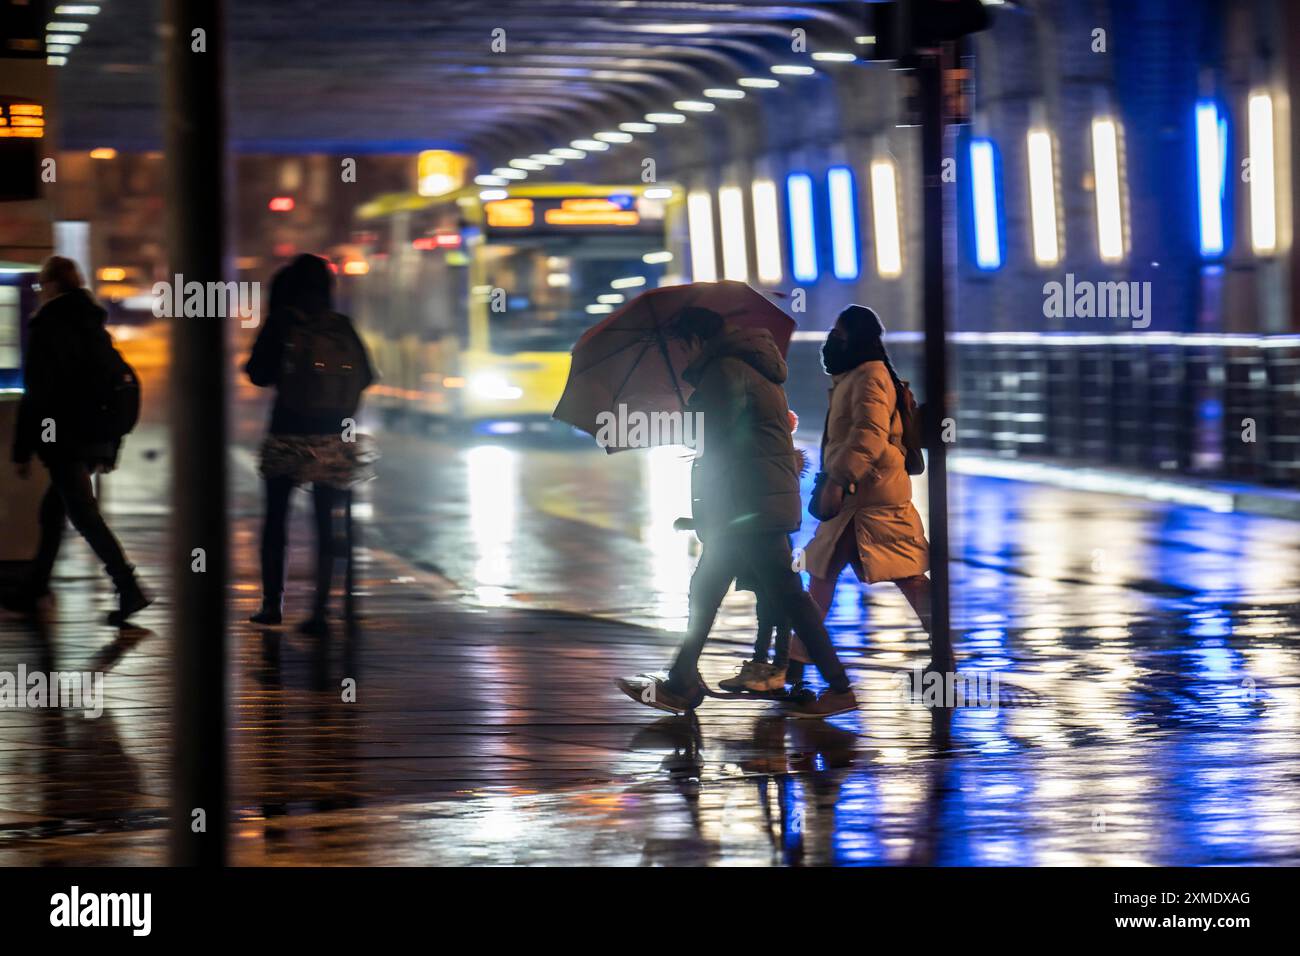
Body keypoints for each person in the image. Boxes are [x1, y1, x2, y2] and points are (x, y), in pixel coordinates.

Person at [616, 307, 857, 718]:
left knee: (784, 596)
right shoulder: (748, 366)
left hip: (749, 506)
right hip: (753, 501)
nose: (680, 356)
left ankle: (838, 687)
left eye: (681, 347)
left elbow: (720, 437)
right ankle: (681, 679)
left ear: (696, 340)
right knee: (710, 589)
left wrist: (692, 407)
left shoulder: (725, 370)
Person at [794, 304, 952, 680]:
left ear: (855, 339)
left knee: (896, 576)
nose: (832, 340)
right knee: (825, 573)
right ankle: (795, 661)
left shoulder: (870, 377)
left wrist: (839, 478)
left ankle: (797, 663)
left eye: (839, 333)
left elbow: (869, 435)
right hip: (863, 495)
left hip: (868, 497)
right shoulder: (859, 375)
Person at [5, 256, 151, 625]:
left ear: (52, 285)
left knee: (83, 515)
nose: (39, 292)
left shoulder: (49, 325)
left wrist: (23, 448)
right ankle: (33, 589)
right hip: (90, 438)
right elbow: (118, 384)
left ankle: (128, 586)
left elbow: (37, 394)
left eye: (41, 285)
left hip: (66, 439)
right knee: (53, 511)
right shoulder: (92, 325)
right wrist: (109, 444)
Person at [244, 254, 375, 633]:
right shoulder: (341, 325)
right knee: (327, 521)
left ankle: (272, 605)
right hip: (335, 436)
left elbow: (258, 374)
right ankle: (322, 610)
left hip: (287, 434)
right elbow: (367, 375)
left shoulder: (282, 322)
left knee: (276, 520)